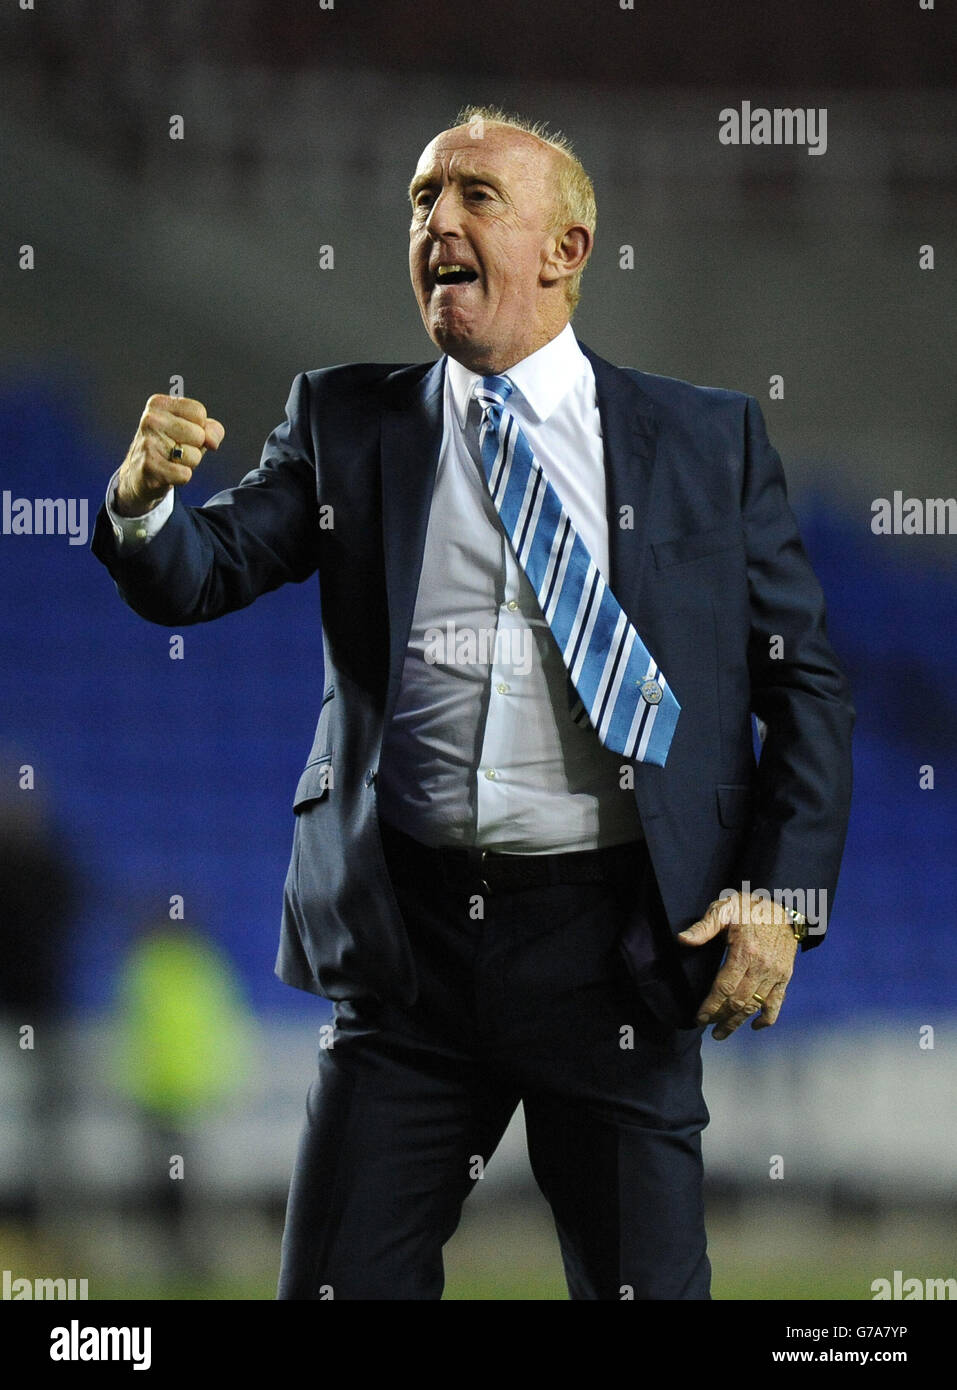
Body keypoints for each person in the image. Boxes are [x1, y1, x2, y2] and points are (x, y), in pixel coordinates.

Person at [91, 105, 854, 1300]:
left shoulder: (706, 441)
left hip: (619, 945)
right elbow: (203, 572)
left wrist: (778, 893)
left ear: (567, 250)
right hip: (412, 956)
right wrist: (141, 503)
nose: (436, 221)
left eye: (474, 197)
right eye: (420, 201)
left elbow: (804, 685)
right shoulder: (346, 424)